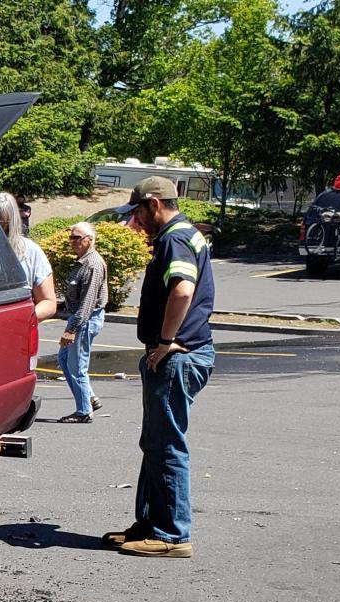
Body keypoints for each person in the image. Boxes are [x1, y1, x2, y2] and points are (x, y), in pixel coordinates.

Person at [104, 176, 215, 558]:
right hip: (185, 353)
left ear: (153, 203)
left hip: (177, 357)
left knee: (166, 443)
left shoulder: (174, 238)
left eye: (137, 211)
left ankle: (171, 535)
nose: (135, 220)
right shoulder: (188, 234)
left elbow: (183, 289)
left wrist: (165, 342)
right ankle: (149, 525)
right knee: (155, 441)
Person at [0, 192, 57, 520]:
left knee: (0, 419)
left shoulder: (30, 253)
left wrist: (22, 319)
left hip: (14, 346)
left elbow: (49, 302)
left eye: (3, 221)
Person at [56, 222, 109, 423]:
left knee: (77, 367)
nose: (72, 241)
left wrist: (72, 329)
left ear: (89, 240)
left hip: (85, 320)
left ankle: (84, 411)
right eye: (71, 237)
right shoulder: (83, 262)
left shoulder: (93, 265)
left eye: (76, 238)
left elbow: (87, 302)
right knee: (63, 359)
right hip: (79, 317)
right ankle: (89, 398)